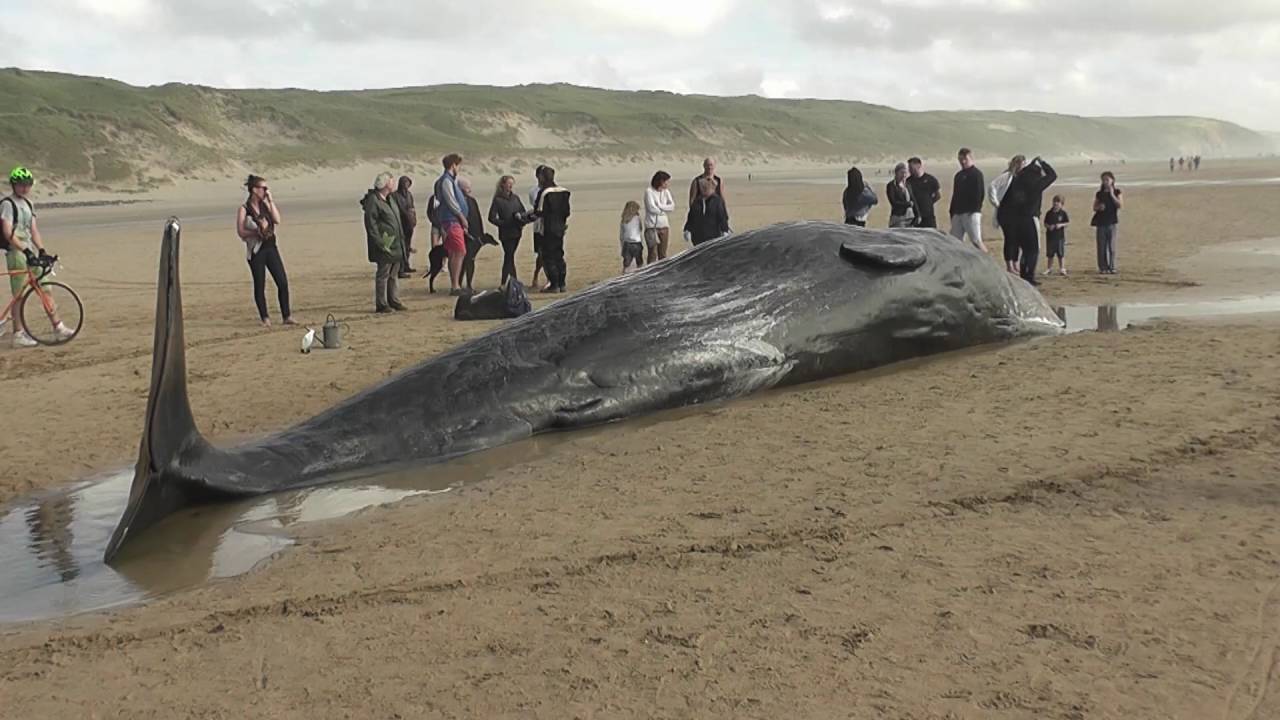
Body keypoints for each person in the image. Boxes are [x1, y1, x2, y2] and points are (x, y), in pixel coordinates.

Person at [1, 166, 72, 348]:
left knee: (45, 286)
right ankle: (18, 334)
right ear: (13, 185)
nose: (24, 188)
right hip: (16, 252)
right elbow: (8, 232)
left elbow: (33, 230)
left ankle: (58, 326)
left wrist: (41, 250)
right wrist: (24, 250)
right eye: (20, 185)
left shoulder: (29, 204)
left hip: (29, 250)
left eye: (27, 185)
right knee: (19, 294)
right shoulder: (8, 204)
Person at [235, 174, 295, 328]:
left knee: (282, 281)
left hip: (271, 247)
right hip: (256, 250)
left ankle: (286, 315)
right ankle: (265, 318)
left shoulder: (265, 205)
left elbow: (277, 220)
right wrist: (257, 232)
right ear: (254, 190)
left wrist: (270, 200)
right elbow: (241, 232)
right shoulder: (244, 209)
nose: (266, 191)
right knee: (260, 284)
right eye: (264, 188)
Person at [997, 156, 1057, 286]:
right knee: (1032, 249)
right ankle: (1028, 275)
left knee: (1024, 248)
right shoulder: (1036, 183)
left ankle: (1025, 275)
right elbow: (1052, 175)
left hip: (1014, 218)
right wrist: (1043, 162)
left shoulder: (1018, 179)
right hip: (1028, 218)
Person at [361, 171, 406, 313]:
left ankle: (394, 300)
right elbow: (371, 224)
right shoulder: (374, 201)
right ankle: (382, 304)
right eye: (392, 181)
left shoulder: (390, 199)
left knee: (394, 273)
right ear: (386, 184)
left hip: (396, 242)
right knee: (383, 274)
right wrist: (380, 242)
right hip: (384, 243)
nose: (394, 184)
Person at [527, 166, 570, 293]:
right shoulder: (564, 191)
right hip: (560, 227)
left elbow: (539, 211)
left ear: (542, 177)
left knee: (548, 256)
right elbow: (567, 212)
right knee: (559, 255)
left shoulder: (545, 192)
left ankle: (554, 284)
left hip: (548, 228)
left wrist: (528, 216)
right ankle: (562, 283)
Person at [433, 153, 469, 296]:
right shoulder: (446, 181)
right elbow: (450, 201)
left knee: (454, 252)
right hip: (451, 220)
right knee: (459, 251)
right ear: (453, 165)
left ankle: (456, 284)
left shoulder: (450, 180)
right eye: (458, 165)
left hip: (452, 220)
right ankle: (455, 285)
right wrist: (461, 216)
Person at [488, 175, 527, 286]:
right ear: (503, 185)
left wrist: (521, 219)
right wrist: (503, 224)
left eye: (512, 184)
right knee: (509, 256)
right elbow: (491, 217)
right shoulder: (498, 200)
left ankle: (508, 281)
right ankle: (509, 281)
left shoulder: (515, 198)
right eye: (508, 183)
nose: (510, 186)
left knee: (510, 256)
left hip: (517, 231)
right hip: (506, 233)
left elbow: (523, 211)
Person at [991, 155, 1026, 272]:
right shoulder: (1007, 176)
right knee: (1010, 238)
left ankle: (1015, 263)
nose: (1023, 167)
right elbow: (992, 186)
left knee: (1017, 238)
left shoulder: (1021, 177)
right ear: (1016, 164)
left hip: (1016, 213)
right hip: (1005, 213)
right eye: (1022, 165)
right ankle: (1009, 265)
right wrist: (996, 203)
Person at [458, 177, 494, 293]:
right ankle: (457, 284)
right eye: (467, 188)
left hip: (474, 236)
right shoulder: (455, 201)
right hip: (461, 235)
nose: (469, 190)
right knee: (461, 261)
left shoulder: (472, 200)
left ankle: (469, 284)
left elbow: (477, 217)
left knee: (471, 260)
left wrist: (480, 234)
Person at [948, 148, 986, 252]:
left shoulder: (976, 174)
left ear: (971, 158)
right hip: (957, 213)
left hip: (971, 213)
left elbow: (980, 194)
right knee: (954, 241)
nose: (963, 161)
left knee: (976, 241)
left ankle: (988, 264)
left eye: (965, 159)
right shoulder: (958, 176)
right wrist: (952, 211)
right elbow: (955, 195)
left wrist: (974, 210)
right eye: (960, 159)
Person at [1091, 171, 1123, 274]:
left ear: (1112, 180)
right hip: (1101, 223)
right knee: (1101, 247)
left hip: (1112, 222)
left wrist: (1112, 194)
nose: (1105, 182)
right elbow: (1094, 207)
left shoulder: (1117, 192)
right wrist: (1099, 207)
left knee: (1112, 247)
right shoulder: (1099, 194)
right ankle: (1103, 267)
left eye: (1107, 180)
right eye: (1103, 180)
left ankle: (1112, 266)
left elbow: (1120, 205)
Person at [684, 177, 730, 246]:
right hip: (698, 235)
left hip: (713, 235)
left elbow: (722, 217)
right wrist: (687, 229)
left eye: (706, 187)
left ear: (712, 188)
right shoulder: (697, 201)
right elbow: (691, 216)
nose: (704, 189)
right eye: (702, 187)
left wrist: (725, 230)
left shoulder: (717, 201)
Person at [643, 171, 676, 263]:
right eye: (666, 182)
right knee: (652, 253)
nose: (667, 184)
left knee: (663, 253)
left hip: (664, 226)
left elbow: (672, 206)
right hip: (652, 227)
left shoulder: (666, 192)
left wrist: (661, 206)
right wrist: (663, 209)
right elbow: (652, 208)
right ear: (661, 181)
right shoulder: (649, 191)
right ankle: (650, 273)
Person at [906, 157, 941, 229]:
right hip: (915, 216)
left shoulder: (931, 179)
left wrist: (928, 203)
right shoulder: (908, 181)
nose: (909, 170)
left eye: (911, 167)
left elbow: (938, 195)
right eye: (909, 168)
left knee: (932, 236)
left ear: (918, 166)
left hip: (929, 215)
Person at [394, 175, 417, 277]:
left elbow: (412, 208)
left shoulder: (409, 195)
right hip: (400, 223)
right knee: (401, 246)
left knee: (407, 246)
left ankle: (406, 265)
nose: (406, 185)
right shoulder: (395, 195)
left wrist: (413, 219)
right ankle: (400, 268)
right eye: (404, 183)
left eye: (408, 183)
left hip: (409, 224)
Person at [529, 165, 546, 289]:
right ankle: (536, 275)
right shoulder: (534, 191)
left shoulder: (551, 189)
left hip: (550, 225)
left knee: (550, 253)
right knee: (541, 253)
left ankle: (549, 278)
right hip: (539, 227)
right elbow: (537, 206)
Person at [1043, 195, 1070, 276]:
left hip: (1060, 237)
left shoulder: (1063, 213)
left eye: (1058, 202)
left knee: (1060, 254)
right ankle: (1049, 268)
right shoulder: (1049, 213)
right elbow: (1045, 223)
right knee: (1050, 254)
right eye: (1054, 202)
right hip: (1050, 237)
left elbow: (1067, 223)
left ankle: (1062, 268)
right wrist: (1049, 226)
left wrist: (1061, 225)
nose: (1055, 204)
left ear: (1061, 204)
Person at [885, 163, 917, 229]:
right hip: (898, 217)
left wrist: (918, 215)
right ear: (896, 173)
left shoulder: (907, 185)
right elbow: (893, 202)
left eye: (905, 173)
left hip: (910, 217)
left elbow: (913, 200)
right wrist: (907, 204)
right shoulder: (891, 186)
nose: (904, 175)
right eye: (901, 173)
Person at [619, 200, 645, 274]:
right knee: (639, 262)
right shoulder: (637, 218)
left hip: (627, 243)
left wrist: (622, 246)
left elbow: (621, 235)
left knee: (626, 263)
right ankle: (640, 276)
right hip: (637, 242)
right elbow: (640, 229)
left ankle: (623, 276)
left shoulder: (623, 220)